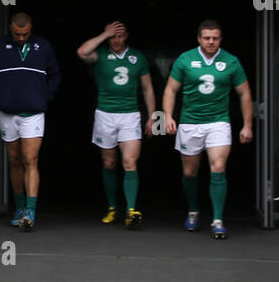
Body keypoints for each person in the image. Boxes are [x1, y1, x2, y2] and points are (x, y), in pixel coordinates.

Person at [160, 19, 254, 239]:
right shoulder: (185, 59)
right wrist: (167, 116)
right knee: (189, 172)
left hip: (218, 122)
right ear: (199, 39)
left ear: (220, 39)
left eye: (215, 38)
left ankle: (218, 219)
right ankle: (193, 211)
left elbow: (245, 94)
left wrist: (247, 125)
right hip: (190, 122)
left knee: (218, 167)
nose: (211, 42)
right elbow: (171, 90)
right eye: (206, 38)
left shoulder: (231, 61)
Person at [0, 11, 60, 231]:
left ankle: (31, 211)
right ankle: (20, 207)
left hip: (33, 112)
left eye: (25, 34)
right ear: (11, 29)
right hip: (7, 112)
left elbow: (55, 74)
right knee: (14, 159)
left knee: (30, 159)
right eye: (17, 34)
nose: (21, 38)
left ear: (31, 28)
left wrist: (45, 95)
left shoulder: (42, 46)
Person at [78, 20, 156, 230]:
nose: (116, 40)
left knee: (130, 162)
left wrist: (152, 116)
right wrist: (104, 35)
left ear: (127, 36)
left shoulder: (137, 57)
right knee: (109, 163)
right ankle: (113, 207)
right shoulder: (100, 54)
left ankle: (131, 210)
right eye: (113, 36)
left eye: (120, 36)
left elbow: (148, 88)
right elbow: (82, 52)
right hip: (105, 114)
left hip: (130, 114)